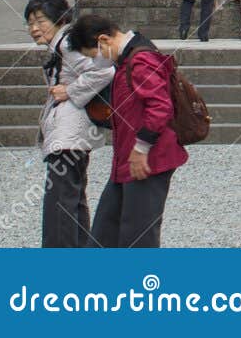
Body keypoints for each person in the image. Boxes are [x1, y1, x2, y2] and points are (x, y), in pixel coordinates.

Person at [69, 13, 187, 248]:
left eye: (93, 55)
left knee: (138, 235)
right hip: (128, 160)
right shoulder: (130, 58)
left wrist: (141, 147)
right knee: (105, 232)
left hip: (147, 160)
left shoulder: (140, 60)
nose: (96, 62)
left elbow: (160, 107)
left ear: (103, 40)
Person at [27, 0, 113, 246]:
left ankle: (59, 262)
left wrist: (71, 91)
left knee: (60, 201)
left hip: (69, 134)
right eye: (30, 23)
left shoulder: (66, 44)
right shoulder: (62, 43)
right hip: (72, 134)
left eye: (41, 21)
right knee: (71, 198)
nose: (34, 28)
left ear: (58, 19)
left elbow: (104, 70)